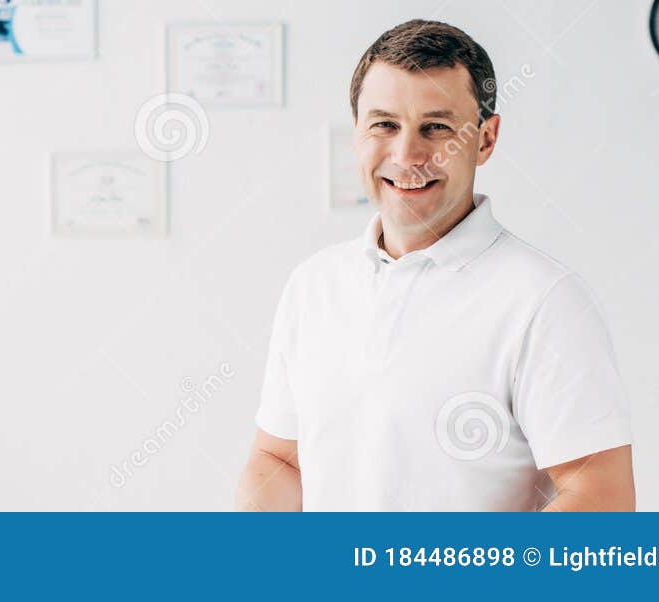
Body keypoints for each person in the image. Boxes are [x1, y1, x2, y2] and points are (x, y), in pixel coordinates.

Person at [236, 19, 634, 511]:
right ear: (357, 133)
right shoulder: (313, 284)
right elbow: (279, 458)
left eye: (437, 128)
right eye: (384, 124)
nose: (407, 155)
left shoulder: (544, 301)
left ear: (486, 140)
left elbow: (601, 496)